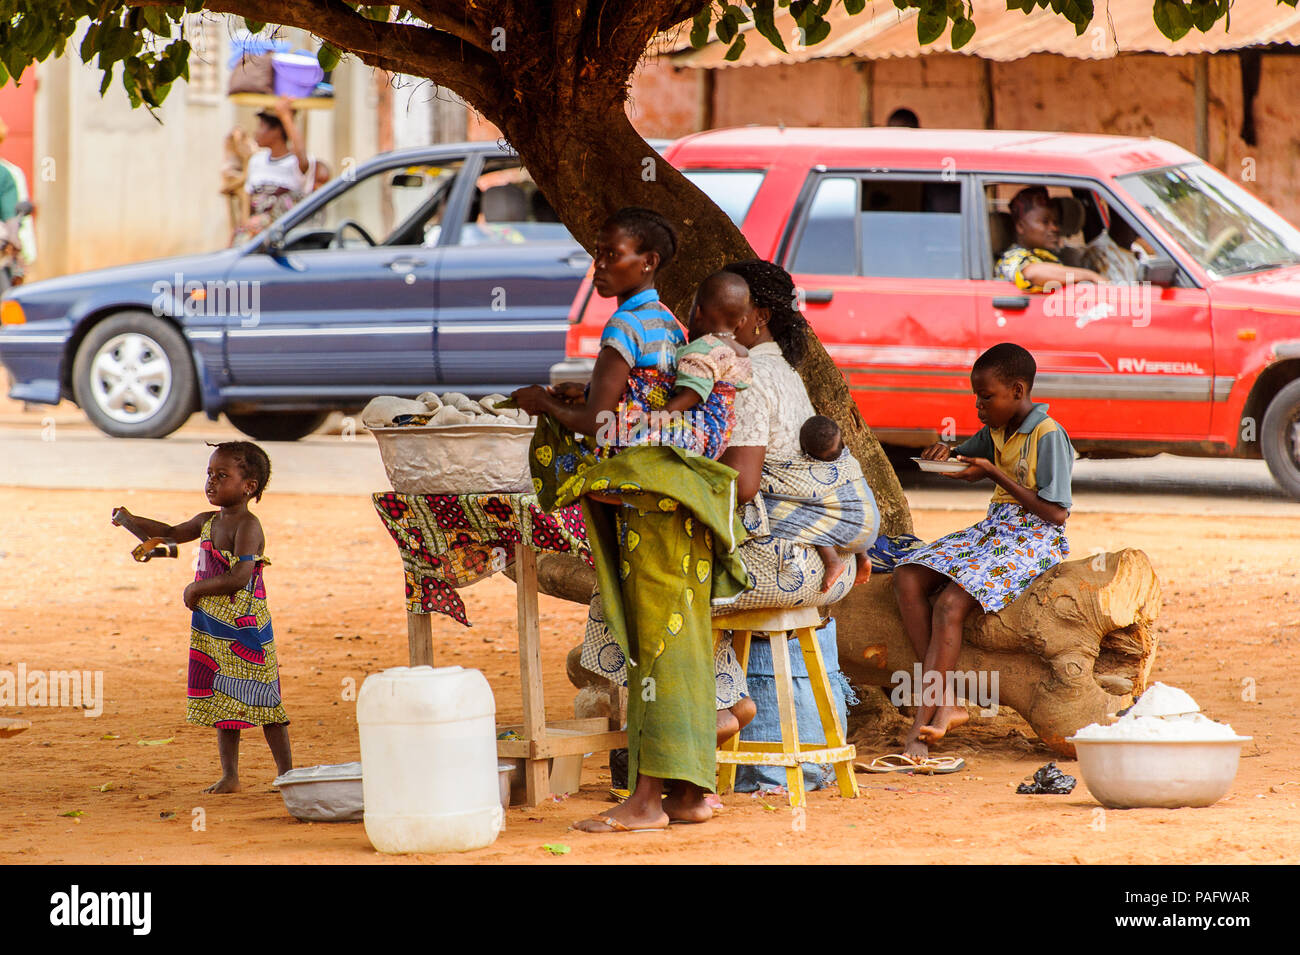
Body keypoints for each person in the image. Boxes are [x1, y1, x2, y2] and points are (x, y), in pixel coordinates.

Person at [514, 209, 751, 833]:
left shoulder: (626, 324)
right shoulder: (673, 323)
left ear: (647, 260)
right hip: (685, 497)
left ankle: (646, 801)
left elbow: (601, 422)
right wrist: (584, 405)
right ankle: (690, 793)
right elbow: (636, 406)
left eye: (612, 253)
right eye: (598, 253)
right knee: (685, 640)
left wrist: (540, 401)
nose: (601, 264)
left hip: (649, 498)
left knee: (657, 649)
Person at [893, 343, 1073, 761]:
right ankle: (949, 698)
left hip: (1033, 537)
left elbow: (1056, 513)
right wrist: (944, 453)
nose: (978, 406)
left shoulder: (1049, 436)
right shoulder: (996, 430)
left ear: (1017, 389)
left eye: (986, 397)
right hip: (994, 530)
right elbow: (965, 460)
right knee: (906, 575)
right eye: (976, 396)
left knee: (952, 602)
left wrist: (993, 472)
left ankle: (921, 726)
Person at [112, 442, 291, 793]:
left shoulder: (248, 527)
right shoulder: (207, 521)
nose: (210, 482)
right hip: (214, 628)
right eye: (209, 474)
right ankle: (231, 776)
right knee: (225, 702)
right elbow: (170, 536)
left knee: (268, 702)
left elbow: (240, 577)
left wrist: (196, 589)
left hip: (246, 629)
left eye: (221, 475)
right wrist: (131, 522)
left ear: (248, 486)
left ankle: (286, 773)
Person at [796, 415, 875, 592]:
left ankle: (832, 561)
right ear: (842, 442)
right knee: (848, 512)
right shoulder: (851, 462)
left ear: (806, 451)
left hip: (843, 528)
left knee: (808, 514)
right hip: (867, 528)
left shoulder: (813, 473)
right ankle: (862, 555)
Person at [997, 186, 1105, 292]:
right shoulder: (1012, 257)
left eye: (1055, 222)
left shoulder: (1048, 254)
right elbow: (1031, 273)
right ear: (1020, 226)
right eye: (1045, 222)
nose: (1055, 228)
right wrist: (1089, 275)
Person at [232, 98, 310, 244]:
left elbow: (302, 158)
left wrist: (286, 117)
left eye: (261, 126)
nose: (256, 132)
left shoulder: (295, 163)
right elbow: (246, 204)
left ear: (277, 131)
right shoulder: (256, 161)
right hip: (254, 238)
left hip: (283, 239)